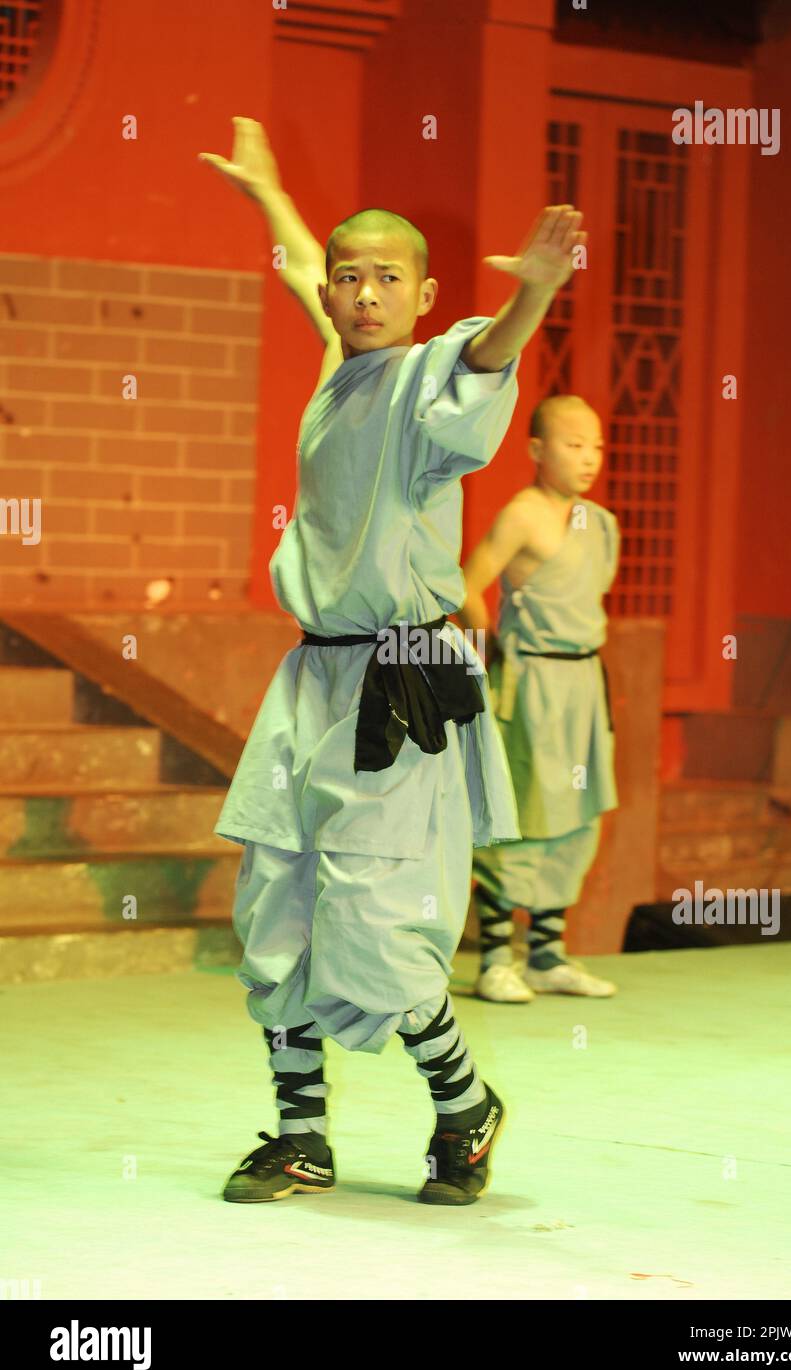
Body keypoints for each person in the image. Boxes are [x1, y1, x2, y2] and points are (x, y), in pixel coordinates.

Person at [198, 117, 588, 1203]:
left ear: (423, 294)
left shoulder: (427, 377)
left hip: (403, 677)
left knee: (378, 917)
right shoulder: (340, 369)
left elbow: (488, 354)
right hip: (312, 677)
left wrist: (533, 294)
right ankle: (299, 1136)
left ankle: (463, 1108)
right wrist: (269, 191)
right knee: (275, 904)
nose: (363, 294)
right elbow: (297, 264)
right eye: (349, 277)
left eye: (386, 278)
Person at [459, 395, 620, 1004]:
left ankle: (548, 955)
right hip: (530, 684)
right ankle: (496, 959)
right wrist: (493, 647)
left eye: (596, 446)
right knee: (524, 813)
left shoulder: (599, 522)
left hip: (584, 684)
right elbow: (466, 584)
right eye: (574, 445)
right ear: (536, 450)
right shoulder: (523, 515)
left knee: (577, 815)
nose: (588, 458)